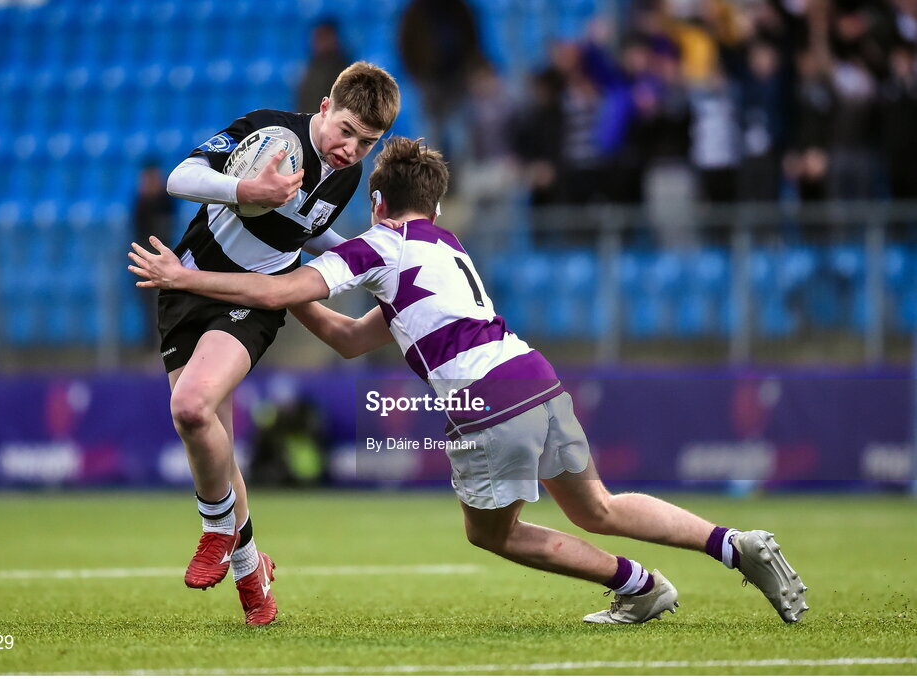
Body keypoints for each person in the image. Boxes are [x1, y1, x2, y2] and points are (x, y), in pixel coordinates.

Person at [129, 137, 808, 625]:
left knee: (491, 533)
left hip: (482, 399)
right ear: (437, 205)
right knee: (595, 504)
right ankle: (730, 542)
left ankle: (637, 584)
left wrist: (196, 277)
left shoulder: (378, 246)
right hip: (534, 374)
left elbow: (285, 292)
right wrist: (292, 281)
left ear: (375, 199)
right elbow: (345, 336)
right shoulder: (446, 247)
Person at [155, 61, 399, 626]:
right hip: (186, 282)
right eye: (346, 131)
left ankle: (216, 526)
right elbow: (179, 179)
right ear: (323, 108)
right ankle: (252, 576)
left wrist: (367, 259)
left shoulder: (347, 176)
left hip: (253, 300)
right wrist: (249, 188)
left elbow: (305, 229)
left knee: (192, 407)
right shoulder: (269, 130)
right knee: (211, 441)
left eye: (368, 142)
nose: (351, 149)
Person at [131, 160, 176, 349]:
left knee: (164, 303)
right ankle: (152, 344)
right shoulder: (139, 201)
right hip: (145, 258)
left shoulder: (165, 199)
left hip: (164, 257)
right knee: (148, 305)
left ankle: (166, 345)